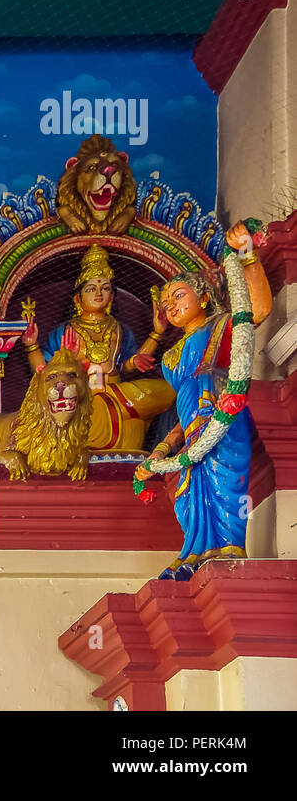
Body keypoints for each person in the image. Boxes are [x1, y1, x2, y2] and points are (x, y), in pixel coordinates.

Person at [134, 222, 272, 580]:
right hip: (191, 437)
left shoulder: (220, 326)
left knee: (225, 484)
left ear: (204, 298)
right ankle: (196, 551)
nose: (170, 306)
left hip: (224, 422)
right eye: (166, 303)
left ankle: (228, 549)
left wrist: (245, 254)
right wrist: (163, 449)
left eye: (178, 296)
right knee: (190, 497)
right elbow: (184, 410)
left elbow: (256, 309)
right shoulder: (169, 359)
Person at [21, 244, 173, 450]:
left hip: (116, 391)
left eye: (105, 288)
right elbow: (43, 374)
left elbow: (125, 367)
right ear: (78, 298)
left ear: (112, 296)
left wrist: (156, 335)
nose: (98, 294)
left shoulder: (120, 329)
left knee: (171, 390)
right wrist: (33, 347)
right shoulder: (65, 330)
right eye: (91, 288)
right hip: (80, 395)